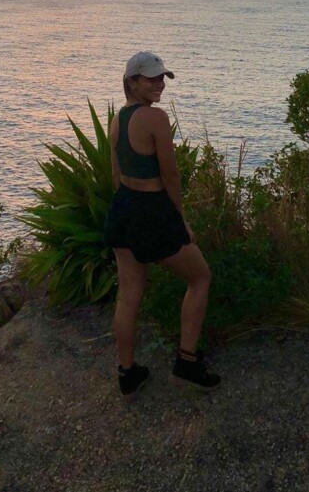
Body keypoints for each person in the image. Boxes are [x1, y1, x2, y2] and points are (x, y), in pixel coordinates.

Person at [104, 50, 220, 398]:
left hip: (122, 208)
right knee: (200, 278)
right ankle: (186, 363)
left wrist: (124, 208)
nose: (159, 85)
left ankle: (128, 373)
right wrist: (179, 218)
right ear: (132, 82)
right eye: (151, 78)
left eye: (161, 78)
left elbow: (116, 173)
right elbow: (170, 173)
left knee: (128, 296)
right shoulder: (154, 119)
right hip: (152, 210)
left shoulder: (117, 119)